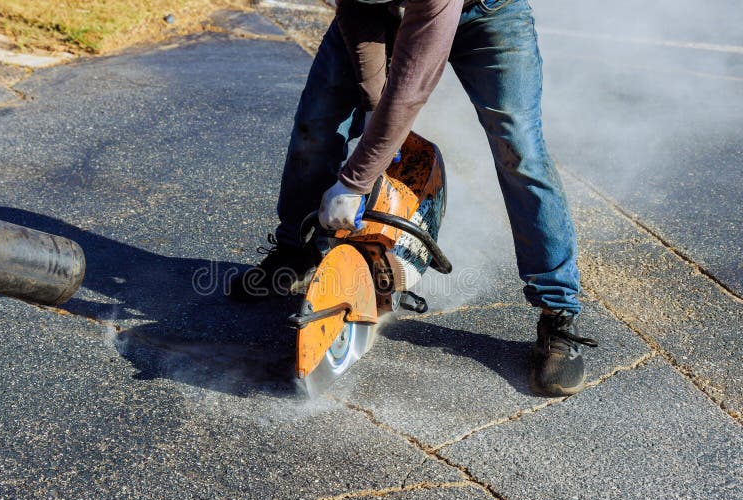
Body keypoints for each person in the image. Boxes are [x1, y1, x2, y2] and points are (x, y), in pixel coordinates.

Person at [231, 0, 597, 395]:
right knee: (317, 121)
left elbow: (411, 88)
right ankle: (296, 251)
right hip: (385, 12)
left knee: (520, 151)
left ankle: (557, 309)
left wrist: (355, 181)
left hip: (488, 14)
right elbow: (356, 13)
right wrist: (374, 109)